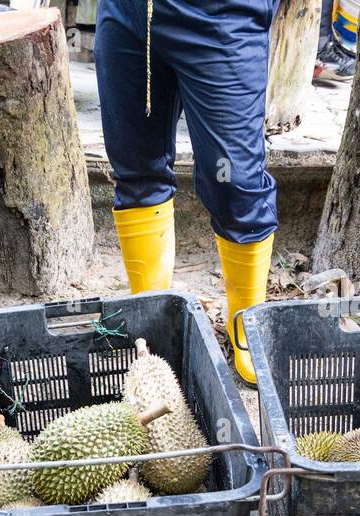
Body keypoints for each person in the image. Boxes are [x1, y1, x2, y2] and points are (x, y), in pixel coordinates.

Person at [96, 0, 279, 384]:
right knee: (136, 168)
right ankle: (151, 322)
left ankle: (246, 322)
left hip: (222, 15)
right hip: (129, 12)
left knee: (234, 180)